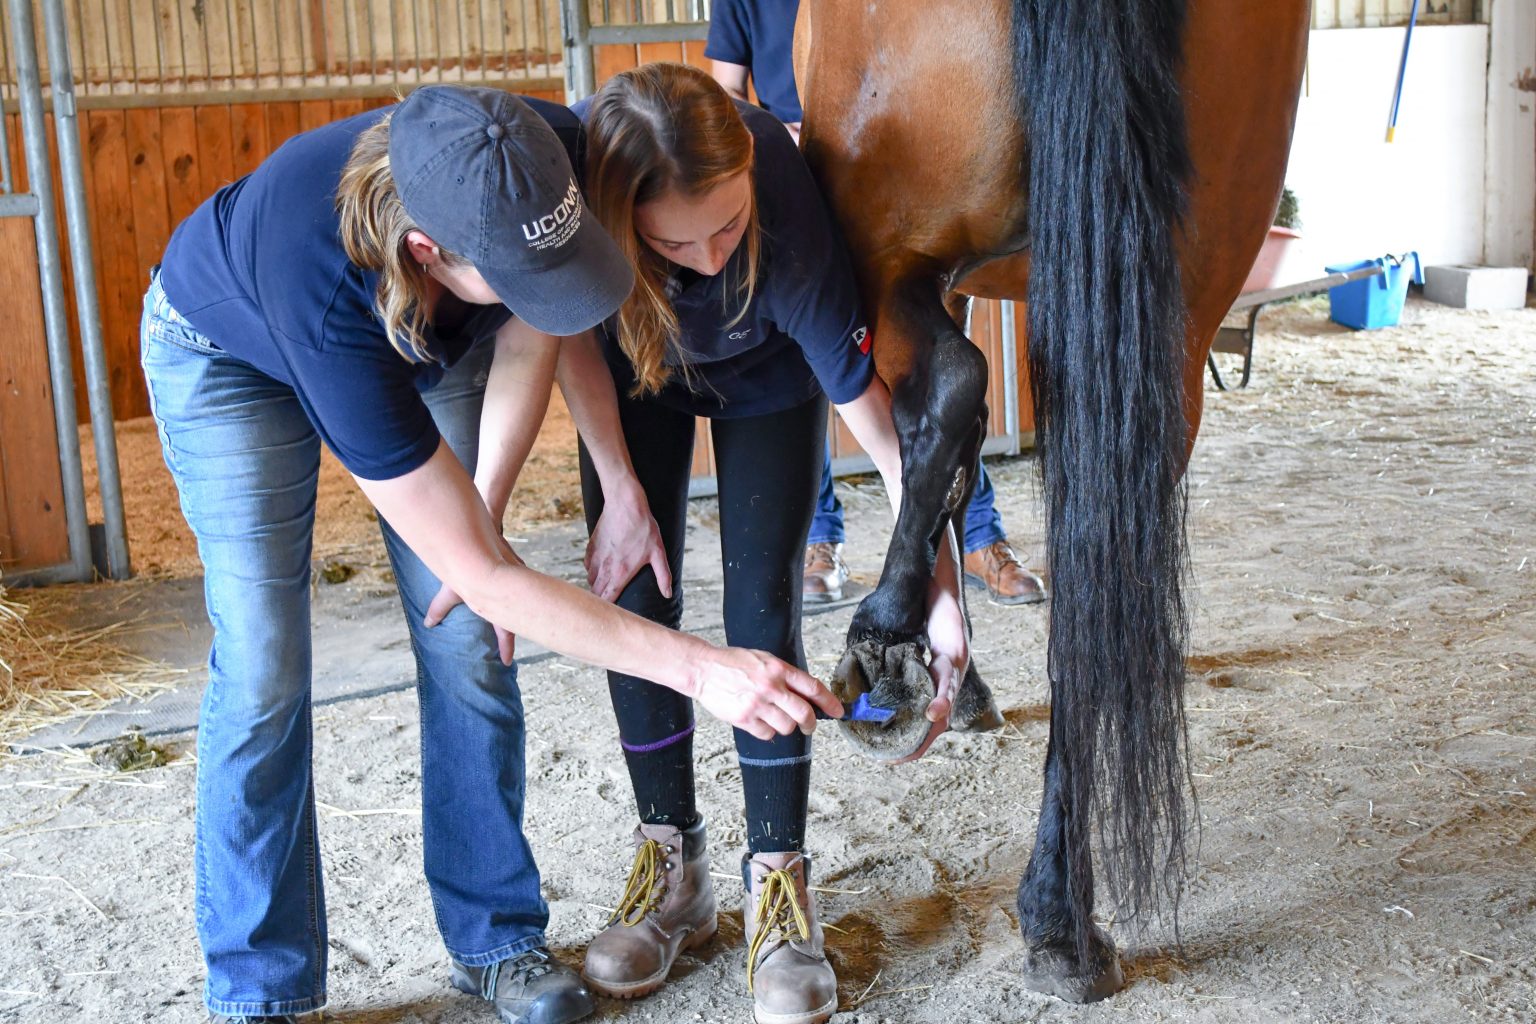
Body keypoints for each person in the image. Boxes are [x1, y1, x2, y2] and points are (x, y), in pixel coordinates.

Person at [142, 84, 842, 1024]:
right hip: (233, 352)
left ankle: (494, 938)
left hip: (443, 326)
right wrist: (703, 669)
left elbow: (530, 327)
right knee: (268, 663)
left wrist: (492, 507)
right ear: (432, 250)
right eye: (517, 268)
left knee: (468, 630)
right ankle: (262, 989)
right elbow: (484, 570)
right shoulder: (322, 300)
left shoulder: (536, 150)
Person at [562, 64, 968, 1024]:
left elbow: (871, 418)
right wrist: (619, 489)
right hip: (632, 370)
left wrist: (935, 579)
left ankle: (779, 889)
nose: (707, 259)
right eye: (674, 241)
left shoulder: (778, 197)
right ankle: (676, 870)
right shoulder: (576, 187)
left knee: (762, 609)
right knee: (636, 590)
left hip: (769, 384)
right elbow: (564, 338)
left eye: (727, 229)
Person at [706, 0, 1046, 607]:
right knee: (805, 369)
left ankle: (977, 533)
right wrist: (771, 142)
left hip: (881, 170)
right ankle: (821, 535)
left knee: (936, 385)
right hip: (794, 176)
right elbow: (724, 91)